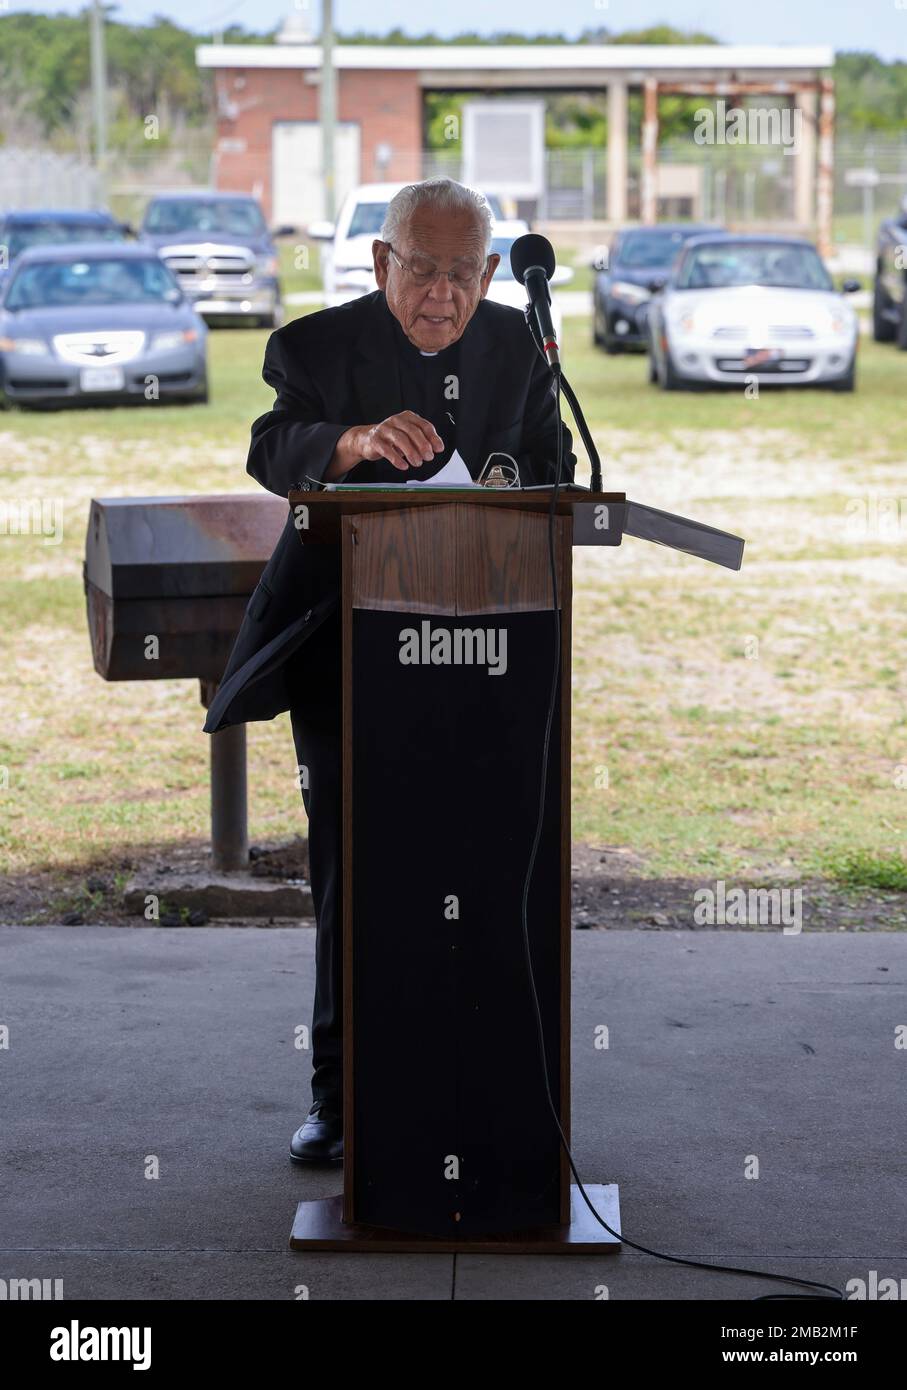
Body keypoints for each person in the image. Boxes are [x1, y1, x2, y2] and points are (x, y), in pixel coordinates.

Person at [202, 176, 575, 1163]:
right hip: (345, 649)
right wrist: (353, 444)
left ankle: (484, 1083)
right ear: (381, 263)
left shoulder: (518, 350)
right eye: (420, 269)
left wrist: (513, 493)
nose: (441, 293)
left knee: (489, 867)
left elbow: (556, 470)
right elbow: (271, 447)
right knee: (354, 876)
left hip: (490, 651)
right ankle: (339, 1094)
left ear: (491, 274)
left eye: (461, 272)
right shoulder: (318, 346)